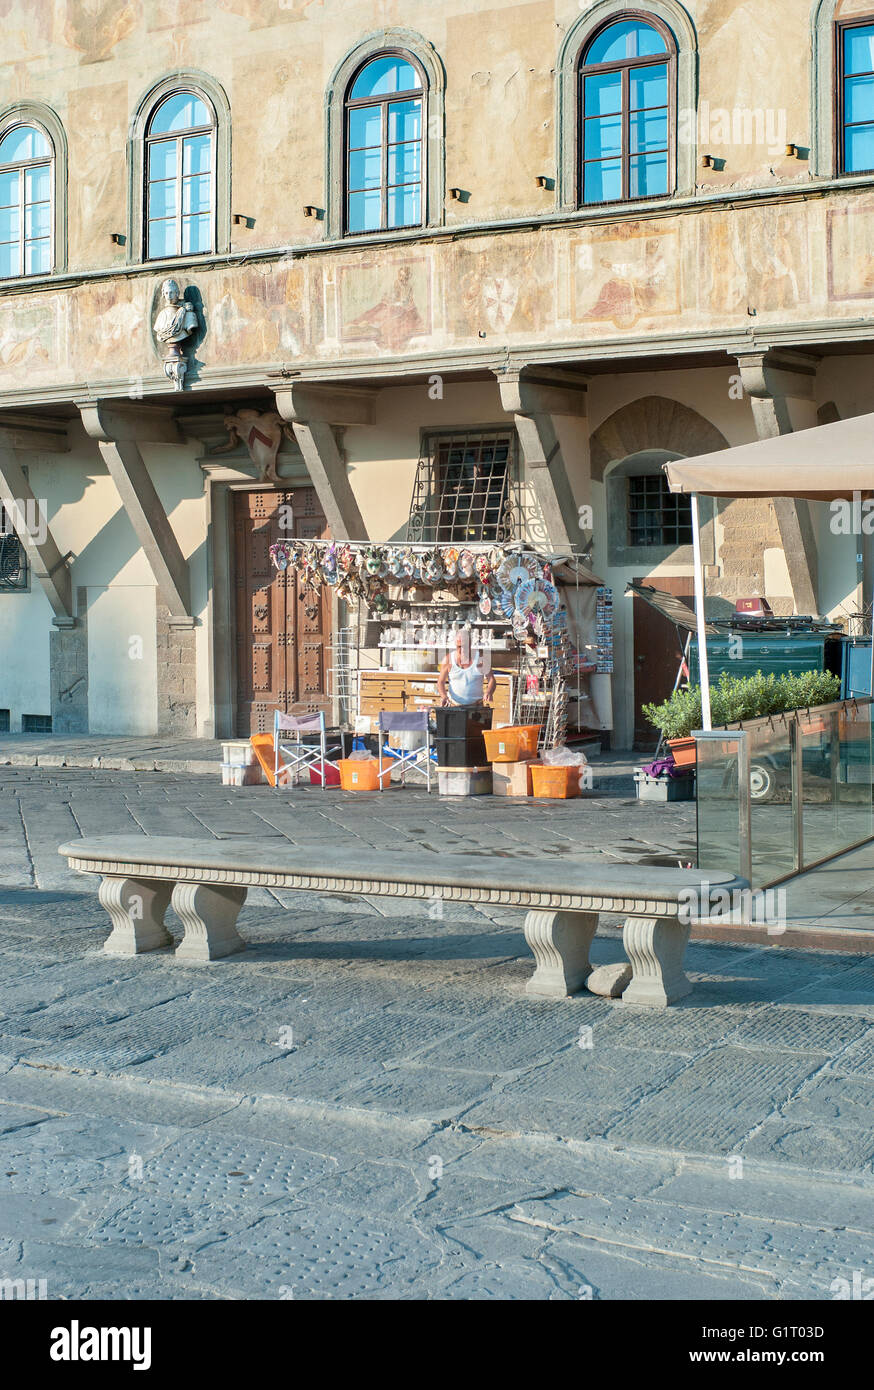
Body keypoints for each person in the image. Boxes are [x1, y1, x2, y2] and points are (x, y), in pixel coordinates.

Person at [437, 633, 496, 708]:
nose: (461, 650)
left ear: (469, 644)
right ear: (455, 645)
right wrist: (444, 696)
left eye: (464, 646)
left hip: (476, 707)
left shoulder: (480, 660)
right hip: (454, 706)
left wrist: (489, 692)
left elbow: (491, 679)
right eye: (459, 647)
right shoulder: (448, 659)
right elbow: (440, 682)